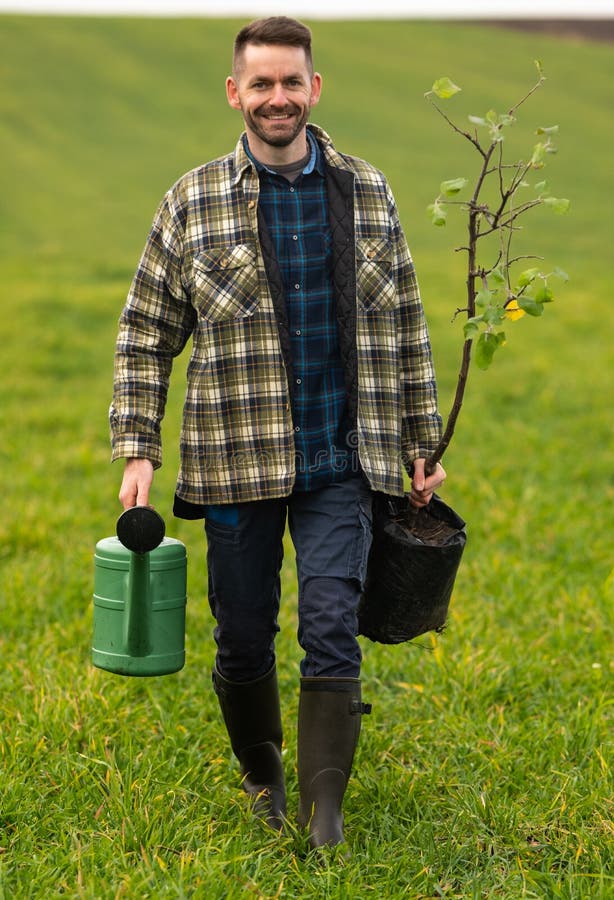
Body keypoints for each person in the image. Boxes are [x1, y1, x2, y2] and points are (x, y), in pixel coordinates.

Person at [110, 16, 446, 849]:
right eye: (260, 83)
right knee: (244, 629)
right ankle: (263, 774)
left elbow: (406, 320)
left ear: (315, 88)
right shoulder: (191, 200)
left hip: (343, 456)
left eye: (291, 81)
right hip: (234, 462)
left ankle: (324, 812)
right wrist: (139, 447)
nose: (277, 98)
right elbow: (145, 332)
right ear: (235, 93)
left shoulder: (368, 190)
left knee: (332, 618)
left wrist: (421, 443)